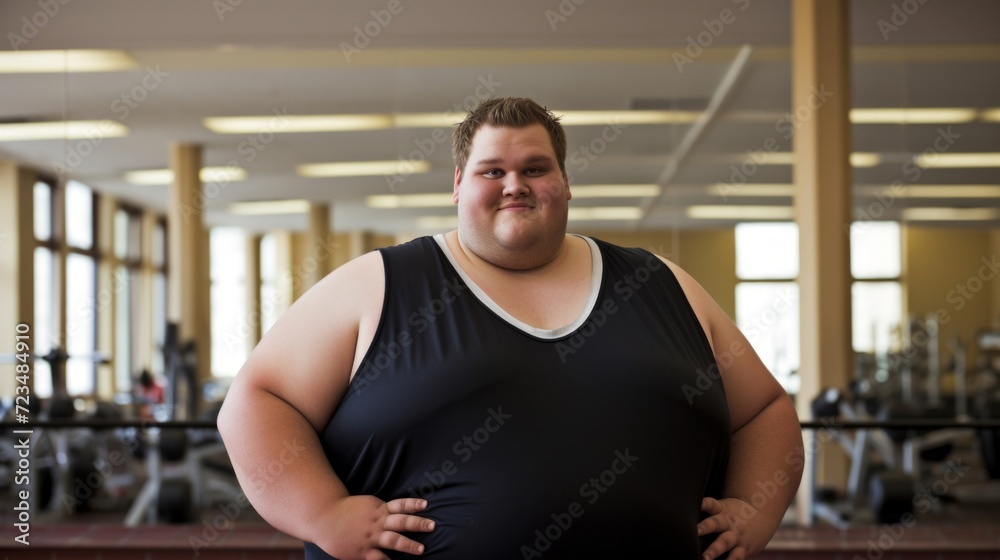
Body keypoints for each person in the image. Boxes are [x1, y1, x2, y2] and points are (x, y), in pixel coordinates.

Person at [218, 97, 804, 559]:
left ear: (566, 181)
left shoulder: (661, 283)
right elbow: (254, 402)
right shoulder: (377, 284)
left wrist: (755, 509)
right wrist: (324, 515)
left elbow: (766, 409)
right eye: (491, 169)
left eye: (535, 169)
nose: (514, 185)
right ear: (457, 185)